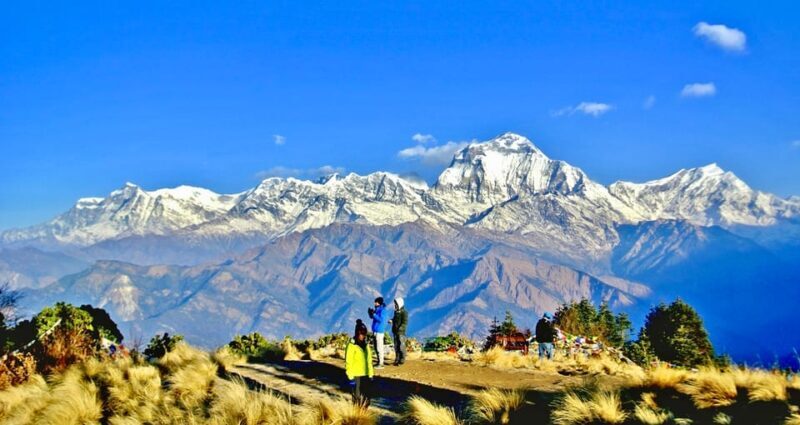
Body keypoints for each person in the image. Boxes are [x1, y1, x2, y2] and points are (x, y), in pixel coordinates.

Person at [345, 319, 374, 405]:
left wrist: (371, 375)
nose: (362, 336)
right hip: (355, 375)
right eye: (361, 334)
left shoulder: (366, 345)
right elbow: (348, 361)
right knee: (357, 398)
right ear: (357, 333)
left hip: (366, 374)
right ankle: (357, 415)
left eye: (364, 334)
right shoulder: (351, 345)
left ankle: (363, 413)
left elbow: (369, 361)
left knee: (367, 398)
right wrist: (350, 377)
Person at [367, 297, 390, 368]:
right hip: (375, 331)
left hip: (379, 332)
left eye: (376, 302)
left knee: (379, 348)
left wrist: (373, 314)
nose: (374, 303)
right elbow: (374, 318)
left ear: (379, 303)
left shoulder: (383, 311)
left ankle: (381, 363)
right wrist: (371, 314)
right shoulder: (378, 310)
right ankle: (378, 362)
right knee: (376, 348)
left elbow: (381, 320)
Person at [390, 297, 408, 366]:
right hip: (395, 332)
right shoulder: (396, 312)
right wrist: (391, 320)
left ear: (400, 304)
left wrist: (400, 328)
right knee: (396, 346)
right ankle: (397, 359)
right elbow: (394, 319)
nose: (395, 305)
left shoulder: (404, 313)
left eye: (396, 304)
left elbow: (405, 322)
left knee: (401, 346)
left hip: (401, 333)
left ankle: (402, 360)